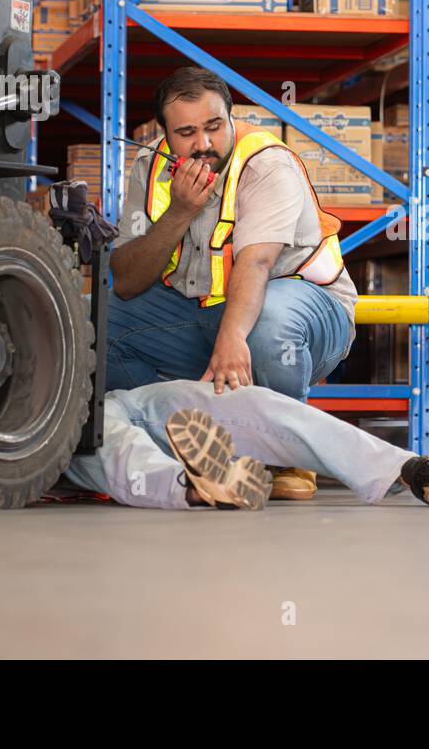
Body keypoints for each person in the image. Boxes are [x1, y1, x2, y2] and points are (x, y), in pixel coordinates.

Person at [107, 67, 359, 501]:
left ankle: (287, 453)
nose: (203, 144)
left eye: (213, 126)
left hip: (304, 317)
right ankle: (196, 444)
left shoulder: (265, 162)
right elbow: (127, 281)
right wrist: (179, 213)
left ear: (230, 117)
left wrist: (231, 336)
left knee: (268, 321)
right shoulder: (149, 166)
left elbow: (257, 262)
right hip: (204, 316)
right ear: (163, 134)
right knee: (97, 323)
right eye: (186, 132)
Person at [62, 381, 429, 510]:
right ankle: (193, 485)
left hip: (116, 392)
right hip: (51, 426)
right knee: (103, 438)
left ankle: (414, 469)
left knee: (251, 404)